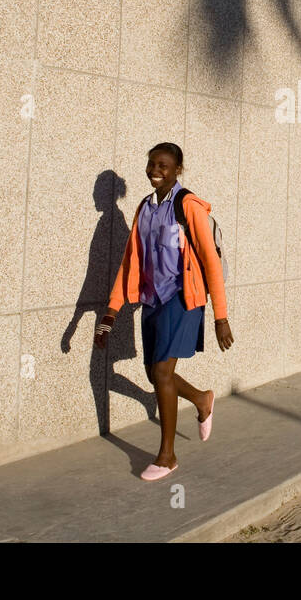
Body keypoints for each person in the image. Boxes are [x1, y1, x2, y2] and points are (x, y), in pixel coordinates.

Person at [94, 142, 234, 480]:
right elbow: (130, 261)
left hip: (183, 299)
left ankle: (167, 456)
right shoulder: (144, 208)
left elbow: (212, 264)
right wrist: (111, 312)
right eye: (152, 165)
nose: (156, 171)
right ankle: (201, 399)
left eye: (164, 166)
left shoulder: (188, 207)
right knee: (155, 374)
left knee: (162, 373)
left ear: (177, 170)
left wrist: (220, 317)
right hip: (151, 299)